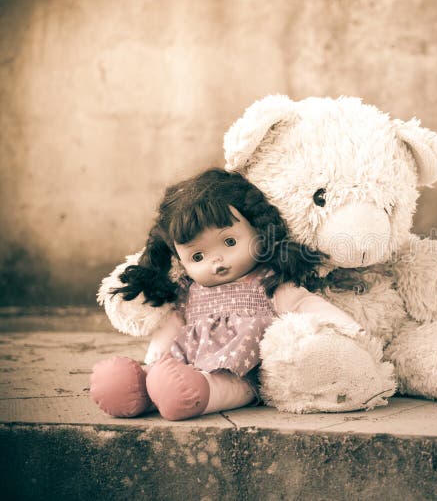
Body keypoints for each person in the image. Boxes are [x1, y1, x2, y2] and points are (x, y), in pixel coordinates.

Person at [90, 168, 358, 420]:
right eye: (198, 256)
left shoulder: (268, 281)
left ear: (257, 230)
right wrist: (154, 363)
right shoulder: (187, 291)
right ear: (180, 261)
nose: (217, 261)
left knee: (213, 386)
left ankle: (191, 393)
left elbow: (304, 304)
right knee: (155, 376)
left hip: (242, 374)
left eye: (230, 242)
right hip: (181, 365)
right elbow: (170, 327)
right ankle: (137, 388)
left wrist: (351, 330)